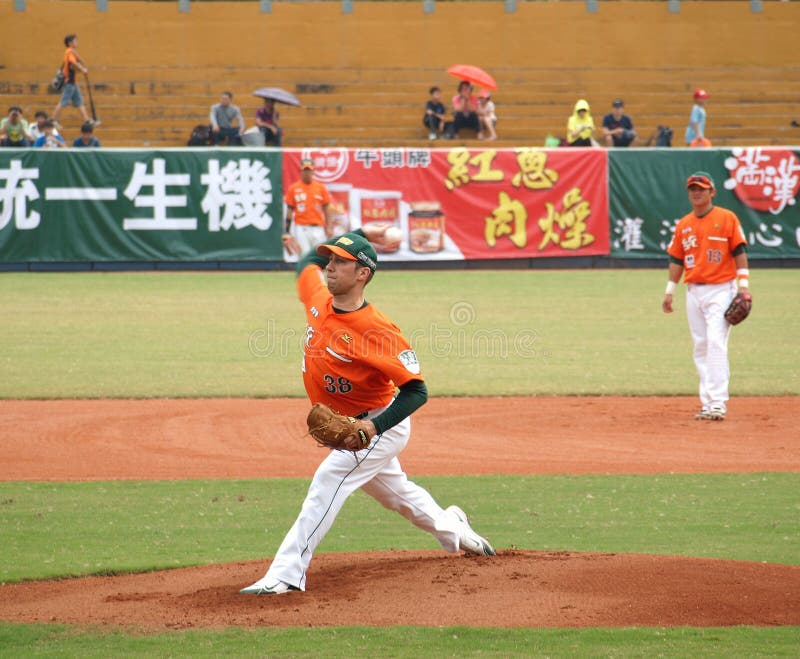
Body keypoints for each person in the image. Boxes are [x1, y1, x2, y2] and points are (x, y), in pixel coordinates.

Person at [240, 226, 496, 595]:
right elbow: (305, 264)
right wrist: (360, 233)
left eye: (340, 262)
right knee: (398, 495)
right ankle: (454, 527)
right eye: (330, 259)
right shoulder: (317, 296)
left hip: (378, 424)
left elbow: (416, 391)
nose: (329, 266)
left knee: (328, 482)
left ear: (363, 273)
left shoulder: (378, 330)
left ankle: (286, 574)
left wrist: (374, 430)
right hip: (349, 426)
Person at [662, 171, 750, 422]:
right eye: (692, 188)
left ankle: (718, 402)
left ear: (712, 192)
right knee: (701, 346)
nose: (696, 192)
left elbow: (739, 252)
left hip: (721, 289)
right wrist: (670, 291)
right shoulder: (684, 224)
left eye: (701, 188)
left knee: (715, 342)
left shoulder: (726, 218)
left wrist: (744, 286)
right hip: (693, 291)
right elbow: (676, 259)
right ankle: (708, 401)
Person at [282, 158, 333, 256]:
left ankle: (318, 272)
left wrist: (329, 227)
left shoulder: (321, 187)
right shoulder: (294, 188)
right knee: (304, 256)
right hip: (301, 227)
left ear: (313, 171)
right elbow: (289, 211)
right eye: (305, 170)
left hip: (318, 227)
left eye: (309, 170)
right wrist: (287, 231)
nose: (307, 172)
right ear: (301, 171)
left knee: (319, 256)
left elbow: (326, 209)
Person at [52, 34, 93, 126]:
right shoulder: (69, 52)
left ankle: (87, 120)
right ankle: (53, 120)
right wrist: (82, 69)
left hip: (73, 82)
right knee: (63, 102)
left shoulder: (72, 51)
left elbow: (77, 61)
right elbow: (73, 63)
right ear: (70, 43)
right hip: (69, 82)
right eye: (75, 41)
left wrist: (82, 63)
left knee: (79, 102)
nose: (77, 43)